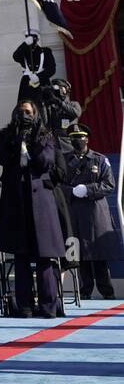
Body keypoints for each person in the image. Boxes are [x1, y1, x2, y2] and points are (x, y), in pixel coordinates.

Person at [0, 99, 66, 318]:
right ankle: (24, 306)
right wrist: (17, 143)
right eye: (20, 111)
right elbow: (0, 158)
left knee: (45, 257)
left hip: (40, 202)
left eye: (28, 112)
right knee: (21, 256)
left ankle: (48, 306)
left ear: (35, 114)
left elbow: (45, 161)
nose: (24, 115)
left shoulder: (45, 135)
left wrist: (31, 144)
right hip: (17, 201)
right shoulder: (8, 135)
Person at [63, 123, 121, 300]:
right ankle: (84, 292)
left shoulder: (99, 159)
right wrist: (70, 191)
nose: (77, 140)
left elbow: (109, 185)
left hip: (96, 213)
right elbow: (58, 185)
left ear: (87, 139)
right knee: (80, 255)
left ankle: (107, 292)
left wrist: (87, 190)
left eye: (80, 137)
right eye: (73, 138)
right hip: (76, 212)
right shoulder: (65, 160)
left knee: (99, 254)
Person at [13, 30, 55, 102]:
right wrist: (25, 44)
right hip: (27, 83)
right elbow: (15, 57)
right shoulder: (24, 52)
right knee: (23, 107)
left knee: (49, 106)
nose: (31, 41)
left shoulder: (45, 51)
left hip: (42, 82)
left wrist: (39, 77)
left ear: (37, 39)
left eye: (32, 38)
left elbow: (51, 69)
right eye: (27, 38)